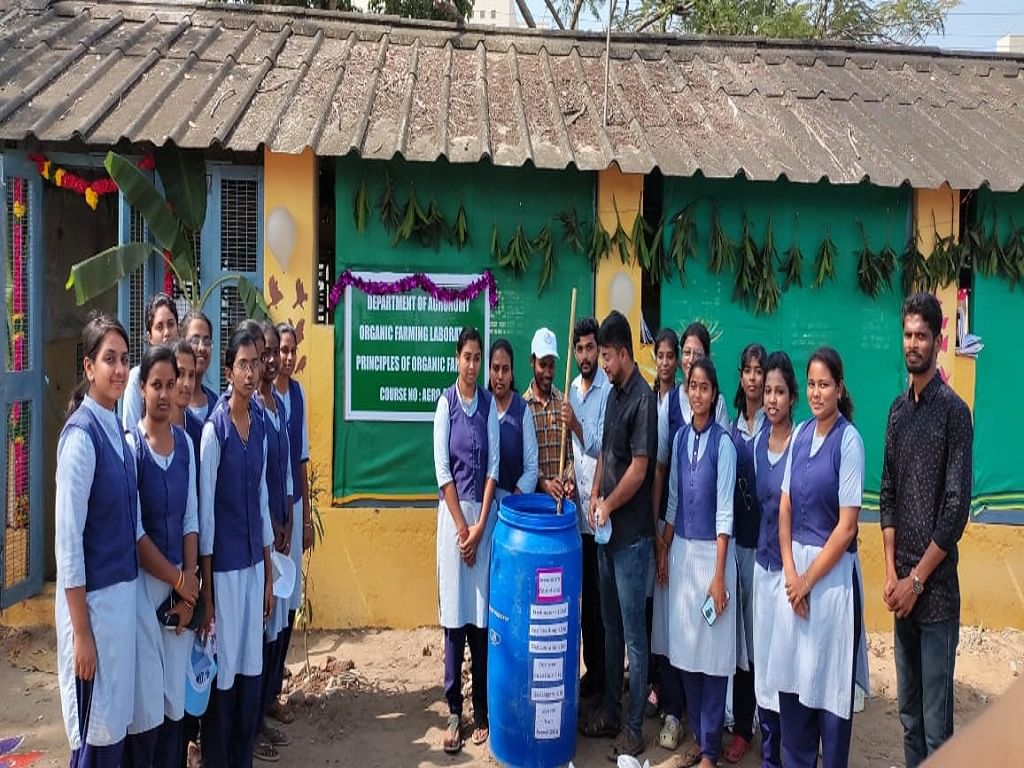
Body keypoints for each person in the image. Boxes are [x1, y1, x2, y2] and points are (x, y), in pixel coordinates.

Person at [880, 293, 973, 768]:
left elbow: (956, 509)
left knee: (937, 726)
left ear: (939, 342)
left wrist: (917, 580)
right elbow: (888, 492)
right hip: (903, 594)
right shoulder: (898, 411)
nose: (913, 343)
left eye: (922, 335)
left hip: (934, 597)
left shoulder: (956, 413)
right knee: (909, 718)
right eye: (908, 334)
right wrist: (894, 575)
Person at [765, 347, 869, 768]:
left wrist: (807, 580)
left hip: (831, 584)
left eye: (824, 384)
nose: (816, 392)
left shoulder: (850, 441)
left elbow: (846, 528)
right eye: (810, 384)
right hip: (796, 584)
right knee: (793, 684)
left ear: (839, 389)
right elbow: (785, 506)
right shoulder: (802, 434)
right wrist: (791, 573)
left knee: (827, 687)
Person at [55, 314, 145, 767]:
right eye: (109, 359)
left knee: (113, 737)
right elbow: (68, 547)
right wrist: (82, 634)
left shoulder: (118, 430)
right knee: (93, 741)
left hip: (119, 612)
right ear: (89, 367)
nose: (119, 369)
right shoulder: (81, 438)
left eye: (125, 359)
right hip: (91, 613)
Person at [580, 310, 656, 761]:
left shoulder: (643, 399)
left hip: (631, 539)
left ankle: (632, 727)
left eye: (606, 356)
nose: (602, 364)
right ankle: (609, 709)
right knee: (608, 627)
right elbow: (608, 454)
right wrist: (594, 494)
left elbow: (640, 468)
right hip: (606, 533)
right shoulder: (612, 396)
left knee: (633, 636)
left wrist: (609, 504)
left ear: (622, 353)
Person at [198, 329, 274, 768]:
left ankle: (242, 758)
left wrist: (266, 572)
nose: (251, 372)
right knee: (223, 676)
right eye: (242, 365)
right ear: (228, 372)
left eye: (254, 363)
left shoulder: (260, 422)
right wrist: (207, 593)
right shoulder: (215, 431)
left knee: (250, 668)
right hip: (223, 571)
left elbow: (262, 498)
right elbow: (206, 517)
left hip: (251, 567)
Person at [123, 345, 200, 768]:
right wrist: (177, 580)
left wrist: (189, 587)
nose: (166, 394)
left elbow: (191, 518)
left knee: (174, 705)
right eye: (157, 385)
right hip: (144, 591)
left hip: (179, 596)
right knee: (146, 708)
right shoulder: (131, 449)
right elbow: (135, 535)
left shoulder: (186, 445)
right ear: (142, 388)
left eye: (172, 385)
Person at [658, 357, 738, 768]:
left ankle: (709, 749)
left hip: (713, 557)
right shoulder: (678, 440)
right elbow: (672, 499)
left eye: (705, 387)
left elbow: (725, 513)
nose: (698, 393)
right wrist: (664, 548)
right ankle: (700, 735)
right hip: (683, 553)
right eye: (693, 386)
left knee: (713, 657)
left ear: (714, 394)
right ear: (686, 392)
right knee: (686, 652)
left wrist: (720, 575)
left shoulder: (724, 444)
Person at [433, 327, 500, 754]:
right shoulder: (446, 404)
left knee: (480, 618)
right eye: (468, 357)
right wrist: (462, 529)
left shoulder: (489, 405)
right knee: (455, 618)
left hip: (485, 521)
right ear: (457, 358)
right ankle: (454, 709)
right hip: (453, 522)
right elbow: (442, 471)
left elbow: (493, 466)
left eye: (478, 358)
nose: (473, 365)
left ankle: (482, 709)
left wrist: (478, 530)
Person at [749, 351, 798, 768]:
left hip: (791, 573)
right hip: (760, 568)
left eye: (780, 392)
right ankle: (770, 755)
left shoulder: (802, 444)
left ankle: (791, 751)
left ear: (792, 397)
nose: (772, 399)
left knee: (788, 662)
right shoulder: (755, 445)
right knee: (763, 663)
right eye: (768, 391)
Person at [562, 318, 610, 702]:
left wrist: (575, 424)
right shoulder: (571, 391)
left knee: (599, 607)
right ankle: (587, 677)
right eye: (579, 349)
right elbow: (574, 456)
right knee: (578, 604)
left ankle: (602, 680)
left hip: (601, 516)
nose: (585, 356)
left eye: (590, 348)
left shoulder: (607, 392)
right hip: (575, 518)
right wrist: (565, 473)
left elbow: (598, 447)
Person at [725, 343, 767, 764]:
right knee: (736, 641)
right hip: (734, 546)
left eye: (761, 372)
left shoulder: (778, 430)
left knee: (760, 644)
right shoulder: (732, 427)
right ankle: (739, 727)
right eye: (748, 371)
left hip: (766, 553)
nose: (754, 379)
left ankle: (762, 725)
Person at [254, 322, 293, 762]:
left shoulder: (278, 405)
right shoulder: (249, 411)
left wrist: (285, 522)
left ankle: (265, 707)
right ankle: (253, 722)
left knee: (275, 627)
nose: (267, 362)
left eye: (270, 355)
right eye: (262, 354)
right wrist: (271, 528)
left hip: (278, 529)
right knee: (259, 636)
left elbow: (281, 474)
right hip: (259, 538)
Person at [271, 322, 312, 728]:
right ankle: (266, 694)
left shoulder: (297, 395)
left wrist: (305, 517)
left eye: (290, 350)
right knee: (271, 607)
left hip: (293, 511)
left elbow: (302, 460)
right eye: (281, 349)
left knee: (288, 605)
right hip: (270, 519)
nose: (285, 357)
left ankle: (274, 689)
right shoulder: (263, 397)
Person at [650, 327, 683, 743]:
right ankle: (657, 684)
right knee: (657, 611)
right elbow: (659, 469)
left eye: (673, 355)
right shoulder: (651, 399)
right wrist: (656, 528)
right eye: (660, 355)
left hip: (691, 530)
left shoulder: (700, 404)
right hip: (660, 522)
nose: (668, 361)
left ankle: (681, 700)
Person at [524, 327, 574, 504]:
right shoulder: (523, 408)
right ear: (532, 362)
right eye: (542, 365)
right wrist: (544, 483)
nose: (547, 372)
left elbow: (571, 455)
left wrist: (568, 480)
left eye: (551, 365)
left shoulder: (563, 403)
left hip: (561, 505)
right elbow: (524, 460)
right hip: (534, 505)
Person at [487, 339, 539, 499]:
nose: (500, 376)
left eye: (506, 369)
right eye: (496, 368)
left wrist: (513, 501)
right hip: (481, 511)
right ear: (489, 371)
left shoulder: (522, 410)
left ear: (512, 373)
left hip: (513, 510)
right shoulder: (481, 407)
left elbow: (531, 468)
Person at [122, 294, 179, 430]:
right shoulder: (137, 376)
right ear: (150, 337)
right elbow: (130, 429)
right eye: (159, 327)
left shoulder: (183, 372)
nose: (166, 332)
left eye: (171, 324)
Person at [183, 311, 219, 421]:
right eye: (195, 340)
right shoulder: (172, 401)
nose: (201, 348)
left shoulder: (216, 404)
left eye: (206, 341)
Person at [732, 343, 767, 443]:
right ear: (741, 380)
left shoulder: (774, 426)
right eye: (747, 371)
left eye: (758, 371)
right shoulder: (732, 430)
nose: (752, 377)